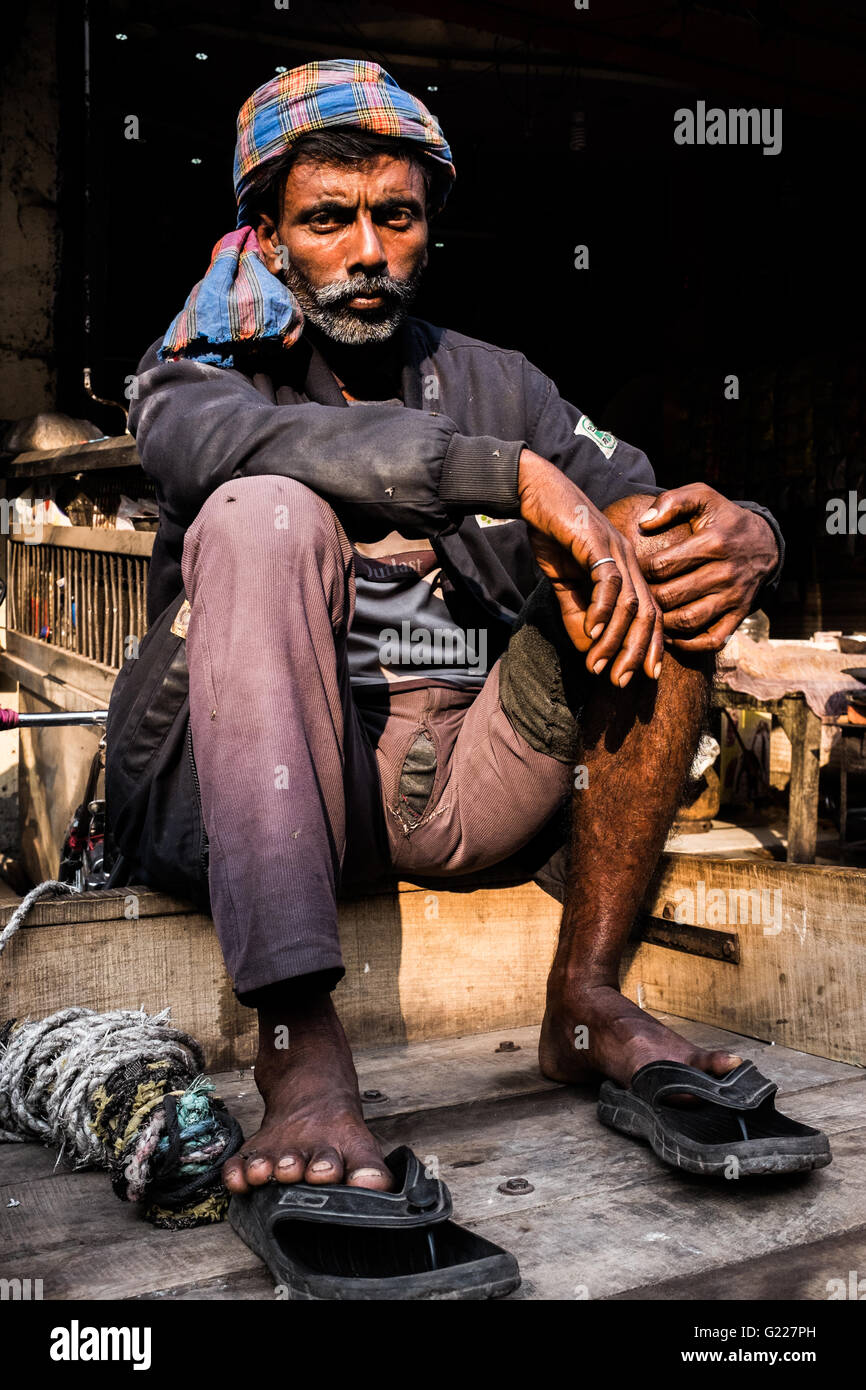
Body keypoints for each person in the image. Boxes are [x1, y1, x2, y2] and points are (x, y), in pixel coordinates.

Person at [120, 59, 783, 1194]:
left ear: (428, 228)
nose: (368, 250)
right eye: (328, 220)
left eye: (396, 215)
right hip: (287, 805)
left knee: (650, 547)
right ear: (271, 242)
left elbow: (651, 506)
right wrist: (501, 478)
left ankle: (585, 995)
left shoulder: (494, 381)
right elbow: (209, 452)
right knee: (262, 511)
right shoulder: (196, 374)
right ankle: (301, 1049)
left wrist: (755, 534)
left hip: (473, 781)